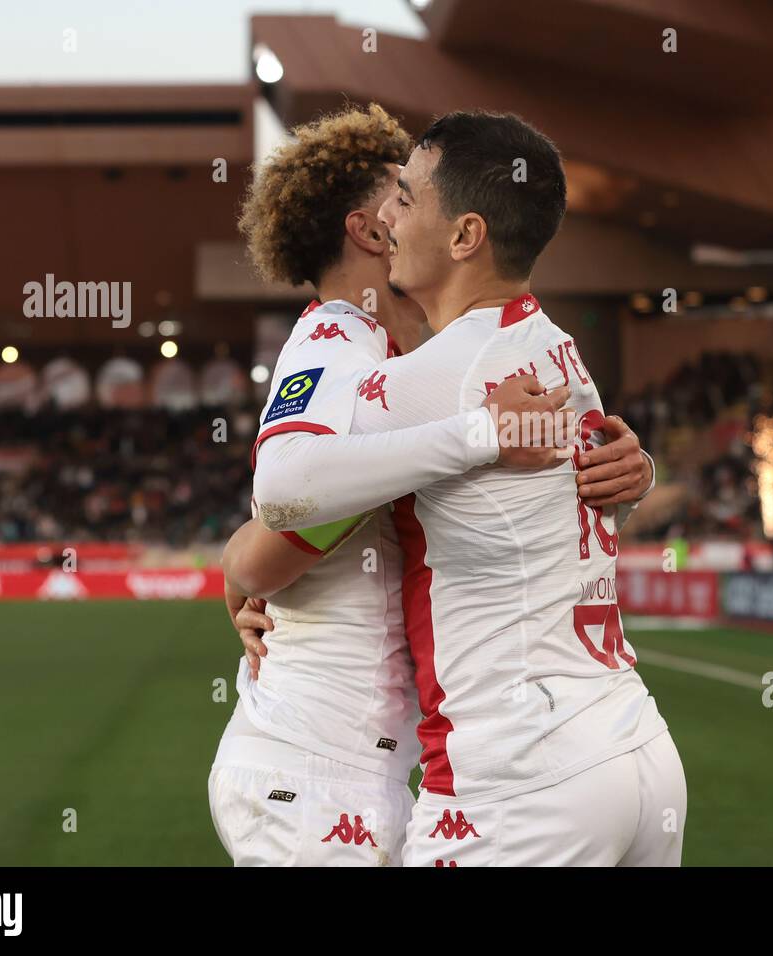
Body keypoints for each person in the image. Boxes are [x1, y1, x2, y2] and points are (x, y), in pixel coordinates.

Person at [211, 104, 651, 866]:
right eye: (400, 193)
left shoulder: (419, 352)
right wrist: (481, 434)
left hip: (374, 765)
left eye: (413, 193)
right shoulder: (335, 338)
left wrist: (626, 468)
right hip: (312, 768)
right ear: (368, 230)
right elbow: (278, 514)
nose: (403, 207)